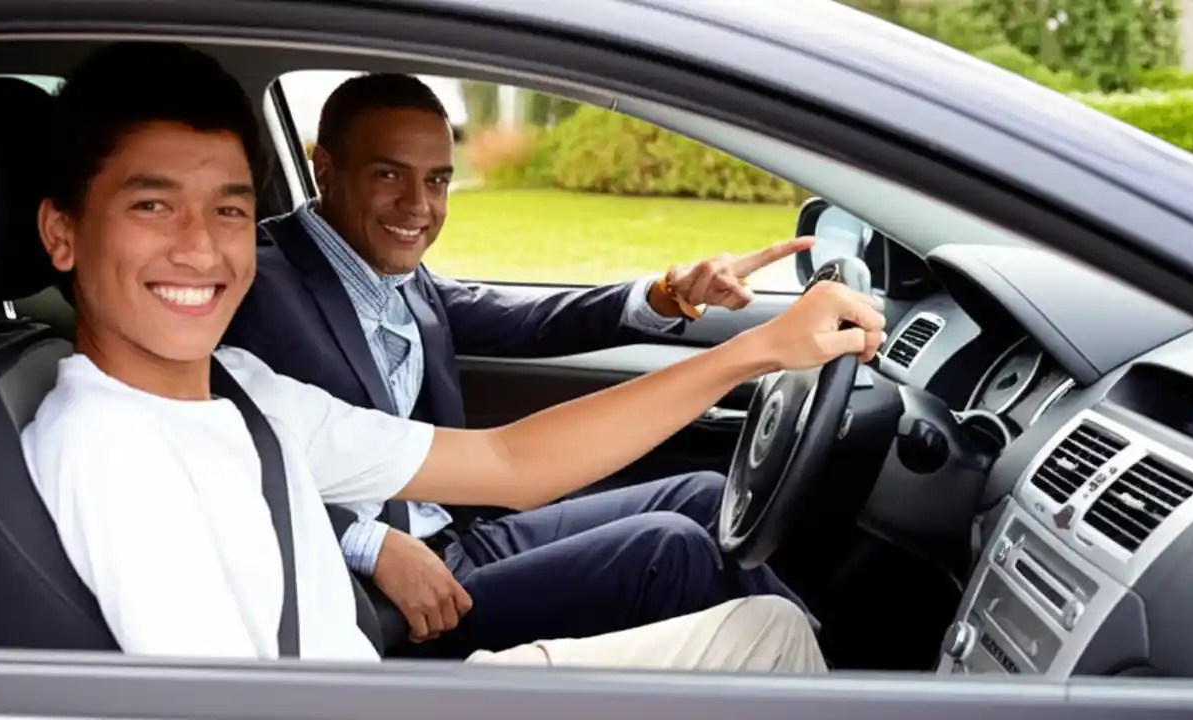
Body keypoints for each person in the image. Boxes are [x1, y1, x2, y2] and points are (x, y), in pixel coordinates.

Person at [20, 42, 883, 671]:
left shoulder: (243, 393)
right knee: (748, 621)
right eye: (152, 207)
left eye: (230, 211)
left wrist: (754, 349)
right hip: (392, 670)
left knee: (760, 615)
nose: (203, 253)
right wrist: (371, 547)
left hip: (388, 629)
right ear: (62, 232)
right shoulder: (110, 452)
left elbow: (508, 458)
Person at [224, 72, 823, 654]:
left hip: (452, 537)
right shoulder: (250, 284)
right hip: (384, 600)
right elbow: (217, 458)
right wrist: (361, 541)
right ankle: (835, 685)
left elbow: (526, 319)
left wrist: (668, 293)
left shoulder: (391, 271)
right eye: (388, 175)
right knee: (672, 550)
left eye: (437, 181)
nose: (418, 206)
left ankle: (817, 659)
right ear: (324, 169)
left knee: (701, 495)